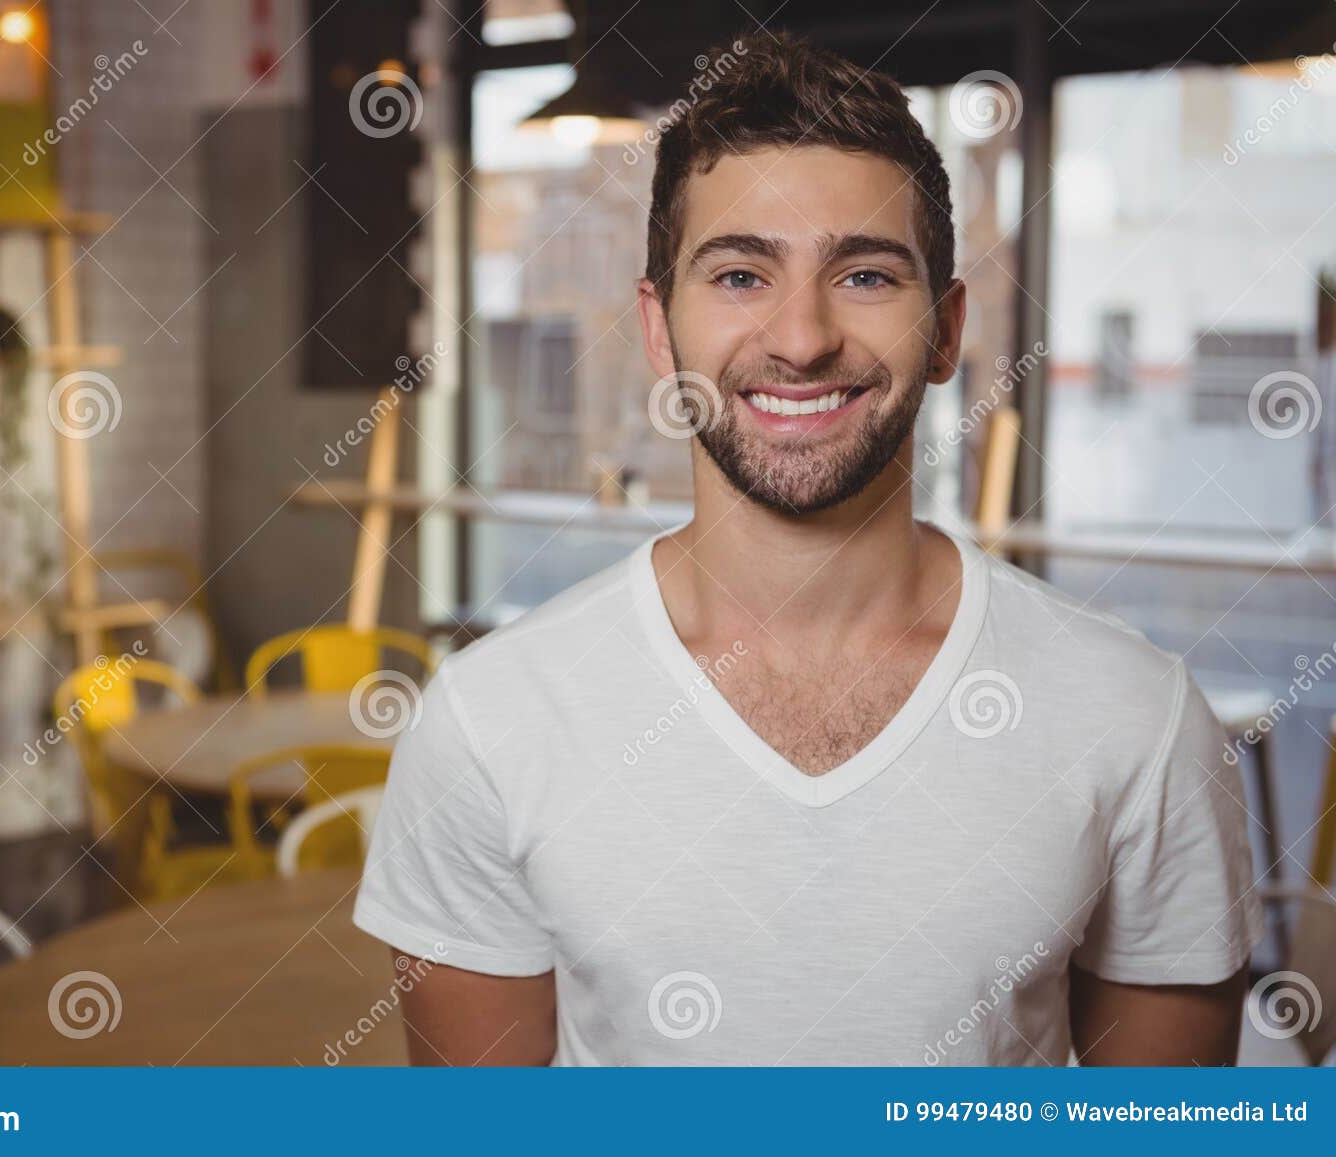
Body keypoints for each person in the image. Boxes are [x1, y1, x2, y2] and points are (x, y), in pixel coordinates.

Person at [354, 30, 1261, 1065]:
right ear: (660, 329)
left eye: (866, 275)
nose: (799, 338)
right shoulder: (490, 719)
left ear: (946, 326)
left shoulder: (1134, 717)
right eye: (739, 274)